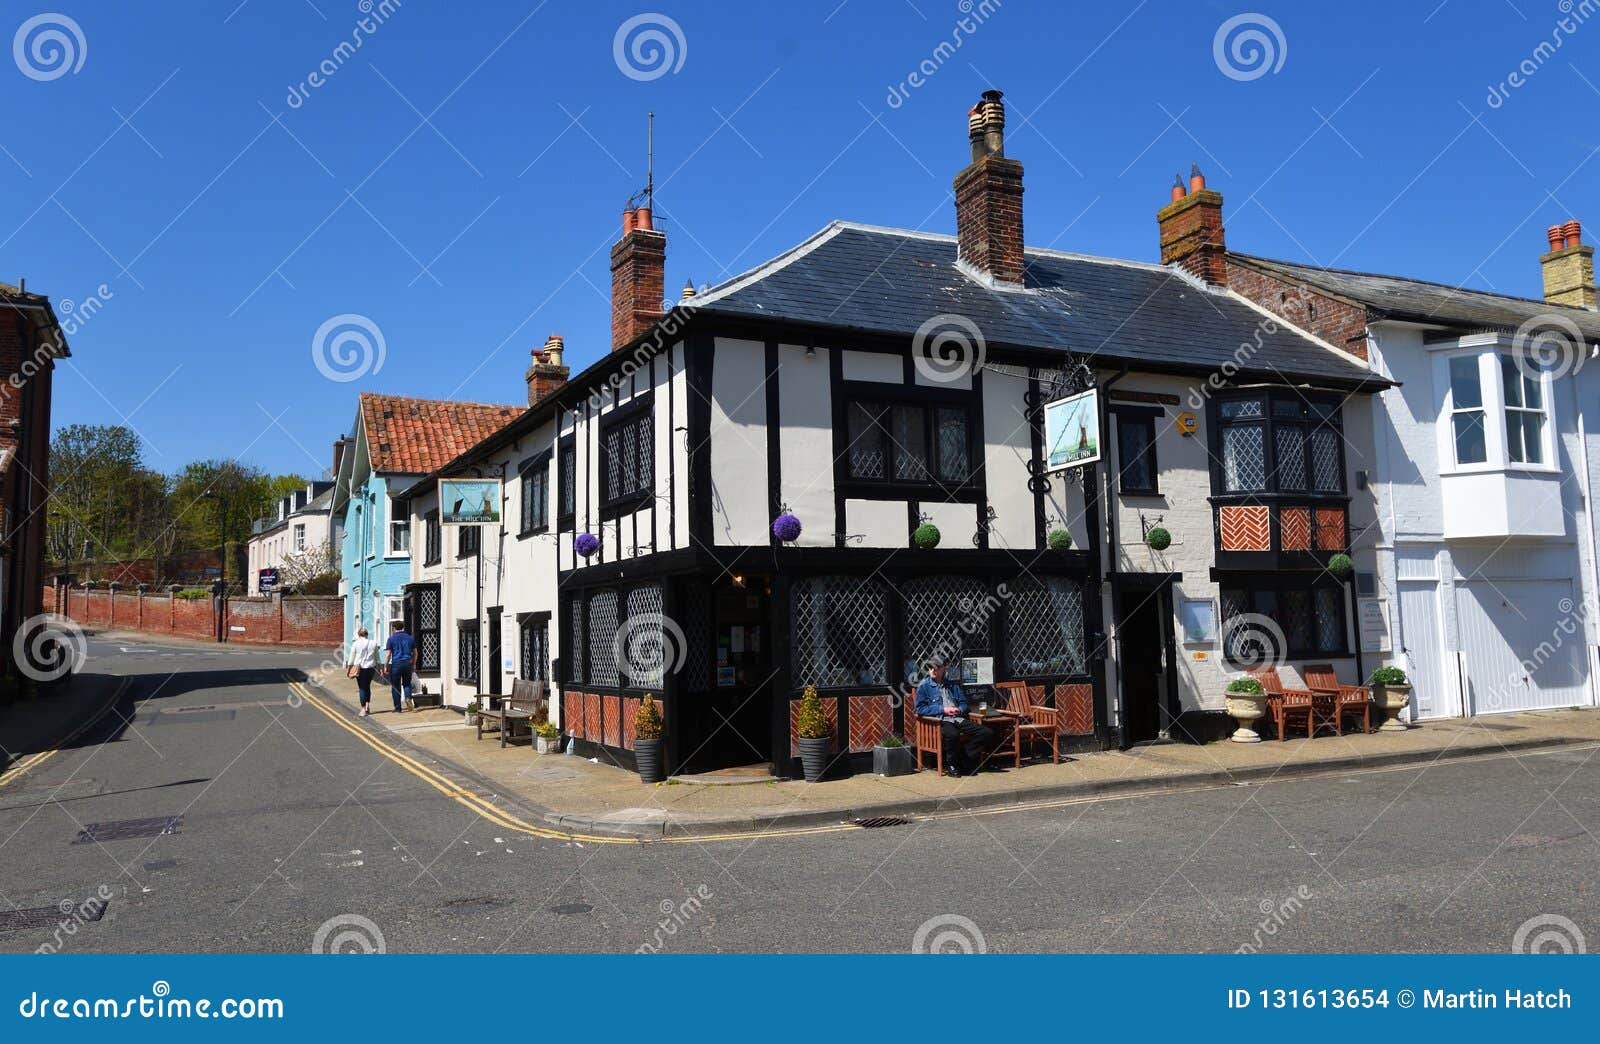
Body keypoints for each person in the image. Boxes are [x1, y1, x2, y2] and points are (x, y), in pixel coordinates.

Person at [913, 655, 994, 776]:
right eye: (930, 668)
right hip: (940, 720)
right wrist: (943, 710)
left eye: (936, 668)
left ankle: (965, 758)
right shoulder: (924, 686)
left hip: (958, 718)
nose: (932, 670)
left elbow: (965, 704)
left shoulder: (952, 685)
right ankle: (952, 765)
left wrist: (959, 709)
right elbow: (919, 709)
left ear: (944, 668)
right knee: (953, 734)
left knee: (986, 732)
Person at [384, 620, 415, 714]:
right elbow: (415, 653)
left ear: (393, 628)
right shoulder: (410, 638)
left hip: (396, 664)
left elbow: (388, 654)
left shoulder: (391, 639)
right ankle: (408, 698)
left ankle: (398, 708)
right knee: (407, 684)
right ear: (403, 627)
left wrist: (385, 666)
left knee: (395, 686)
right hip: (408, 663)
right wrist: (413, 664)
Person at [347, 627, 378, 716]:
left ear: (359, 635)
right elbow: (377, 657)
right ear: (367, 634)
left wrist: (349, 670)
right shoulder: (373, 643)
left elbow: (351, 659)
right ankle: (367, 705)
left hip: (360, 668)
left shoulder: (355, 644)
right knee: (367, 686)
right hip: (371, 668)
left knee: (362, 688)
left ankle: (363, 708)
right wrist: (379, 668)